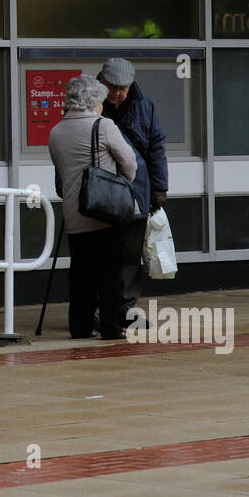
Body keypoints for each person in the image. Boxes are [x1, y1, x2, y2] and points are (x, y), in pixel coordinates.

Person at [48, 74, 137, 340]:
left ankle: (81, 326)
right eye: (99, 101)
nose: (102, 106)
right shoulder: (104, 125)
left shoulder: (55, 132)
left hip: (75, 213)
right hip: (106, 211)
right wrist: (121, 183)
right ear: (92, 102)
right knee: (110, 271)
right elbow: (130, 163)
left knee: (81, 272)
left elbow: (61, 172)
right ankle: (111, 327)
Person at [97, 57, 169, 327]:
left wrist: (160, 187)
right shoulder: (87, 102)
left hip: (137, 191)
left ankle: (125, 308)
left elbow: (156, 146)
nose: (117, 93)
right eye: (113, 86)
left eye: (123, 87)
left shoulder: (143, 105)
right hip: (100, 191)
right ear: (102, 80)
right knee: (100, 252)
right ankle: (99, 309)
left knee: (129, 252)